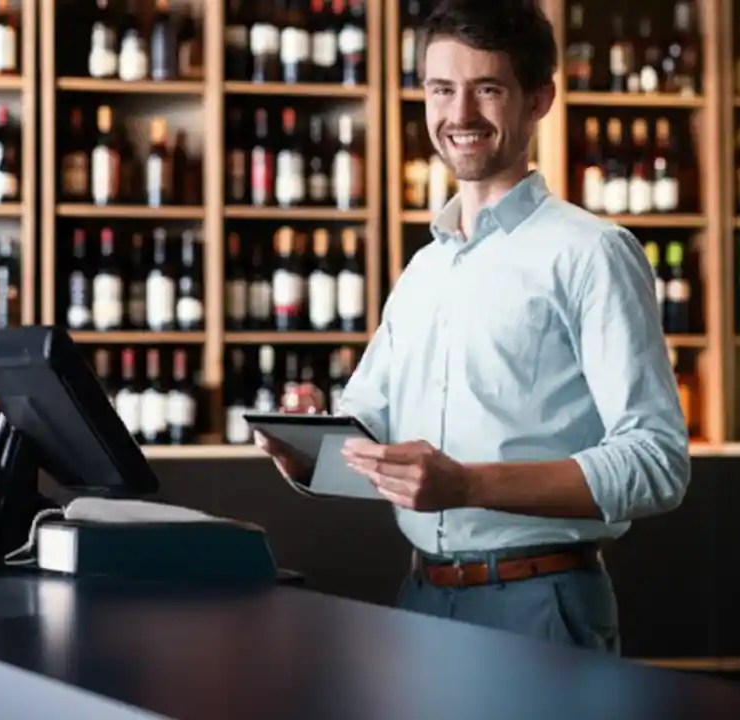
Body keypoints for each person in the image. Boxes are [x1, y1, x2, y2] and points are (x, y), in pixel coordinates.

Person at [255, 0, 689, 654]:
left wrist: (468, 485)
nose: (459, 114)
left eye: (487, 89)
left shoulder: (591, 253)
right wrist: (305, 453)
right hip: (421, 599)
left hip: (541, 602)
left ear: (539, 99)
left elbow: (656, 463)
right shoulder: (424, 269)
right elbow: (373, 442)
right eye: (441, 89)